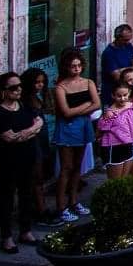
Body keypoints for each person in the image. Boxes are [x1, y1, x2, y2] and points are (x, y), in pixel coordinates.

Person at [0, 72, 41, 254]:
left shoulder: (24, 104)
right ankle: (7, 236)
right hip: (7, 159)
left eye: (19, 86)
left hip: (27, 155)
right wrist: (30, 132)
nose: (18, 90)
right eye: (13, 88)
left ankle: (25, 231)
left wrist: (26, 132)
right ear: (3, 91)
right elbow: (8, 137)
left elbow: (39, 122)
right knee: (7, 197)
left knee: (26, 193)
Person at [51, 48, 98, 223]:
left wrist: (78, 110)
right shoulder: (60, 87)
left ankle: (74, 200)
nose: (76, 69)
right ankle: (61, 206)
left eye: (78, 65)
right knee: (66, 167)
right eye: (72, 66)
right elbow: (66, 112)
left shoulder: (88, 83)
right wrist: (85, 105)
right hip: (67, 129)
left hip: (83, 126)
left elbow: (97, 104)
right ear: (66, 68)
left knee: (78, 166)